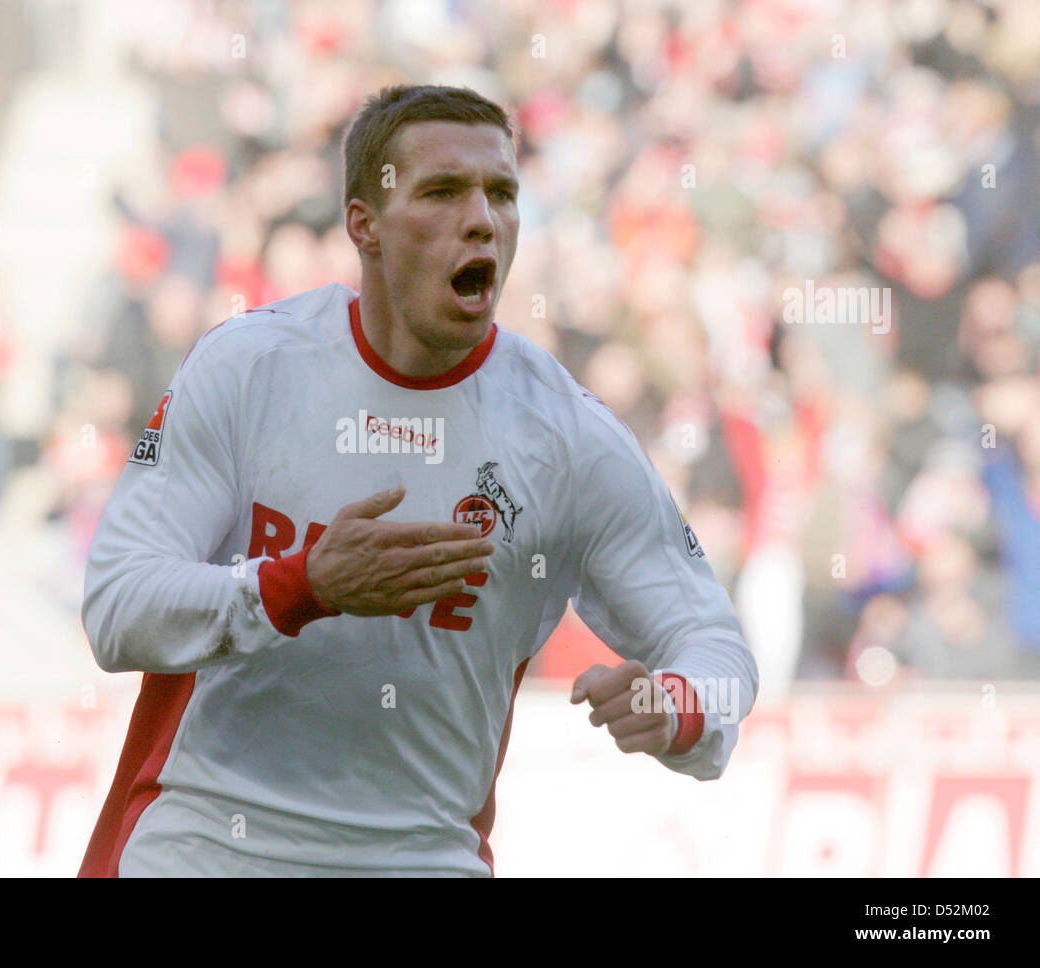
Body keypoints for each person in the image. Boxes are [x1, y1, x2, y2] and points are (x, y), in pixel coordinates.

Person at [78, 84, 758, 877]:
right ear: (364, 224)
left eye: (502, 194)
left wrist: (676, 707)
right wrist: (300, 586)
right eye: (442, 192)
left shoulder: (569, 436)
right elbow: (117, 610)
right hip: (206, 847)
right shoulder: (245, 369)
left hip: (420, 858)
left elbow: (716, 649)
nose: (483, 219)